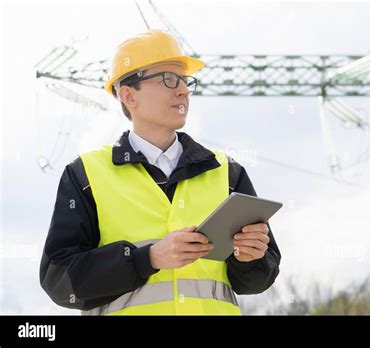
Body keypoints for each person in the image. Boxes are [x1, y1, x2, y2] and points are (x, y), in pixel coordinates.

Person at [40, 29, 281, 315]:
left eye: (184, 80)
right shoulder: (85, 175)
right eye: (169, 79)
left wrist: (250, 258)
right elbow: (60, 283)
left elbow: (256, 281)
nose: (183, 90)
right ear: (128, 95)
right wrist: (148, 258)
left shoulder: (227, 172)